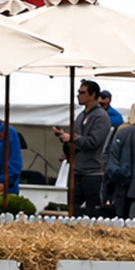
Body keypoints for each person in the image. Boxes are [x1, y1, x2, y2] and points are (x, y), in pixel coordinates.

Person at [52, 79, 113, 217]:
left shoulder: (101, 117)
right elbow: (77, 139)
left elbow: (93, 142)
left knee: (93, 212)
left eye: (82, 92)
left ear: (92, 95)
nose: (78, 95)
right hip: (77, 170)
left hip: (93, 173)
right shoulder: (81, 116)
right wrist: (65, 138)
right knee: (73, 210)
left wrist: (72, 138)